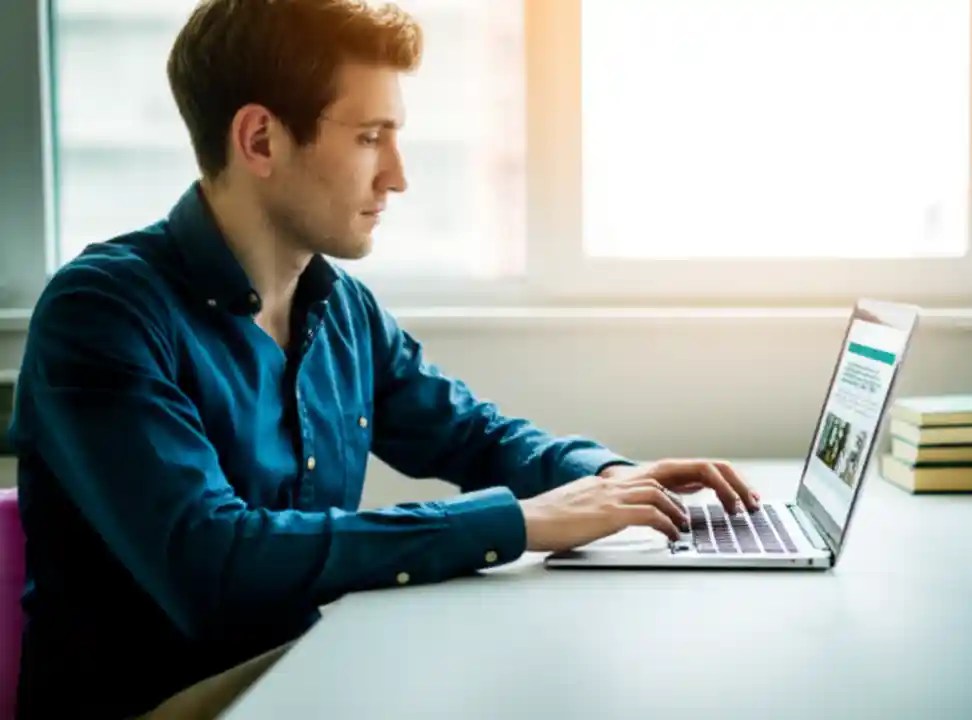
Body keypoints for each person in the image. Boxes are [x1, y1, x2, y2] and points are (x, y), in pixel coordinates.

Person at [6, 1, 760, 717]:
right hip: (161, 704)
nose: (398, 175)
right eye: (371, 137)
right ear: (260, 139)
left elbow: (473, 436)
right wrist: (519, 522)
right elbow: (214, 563)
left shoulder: (341, 307)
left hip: (309, 661)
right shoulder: (102, 312)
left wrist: (607, 479)